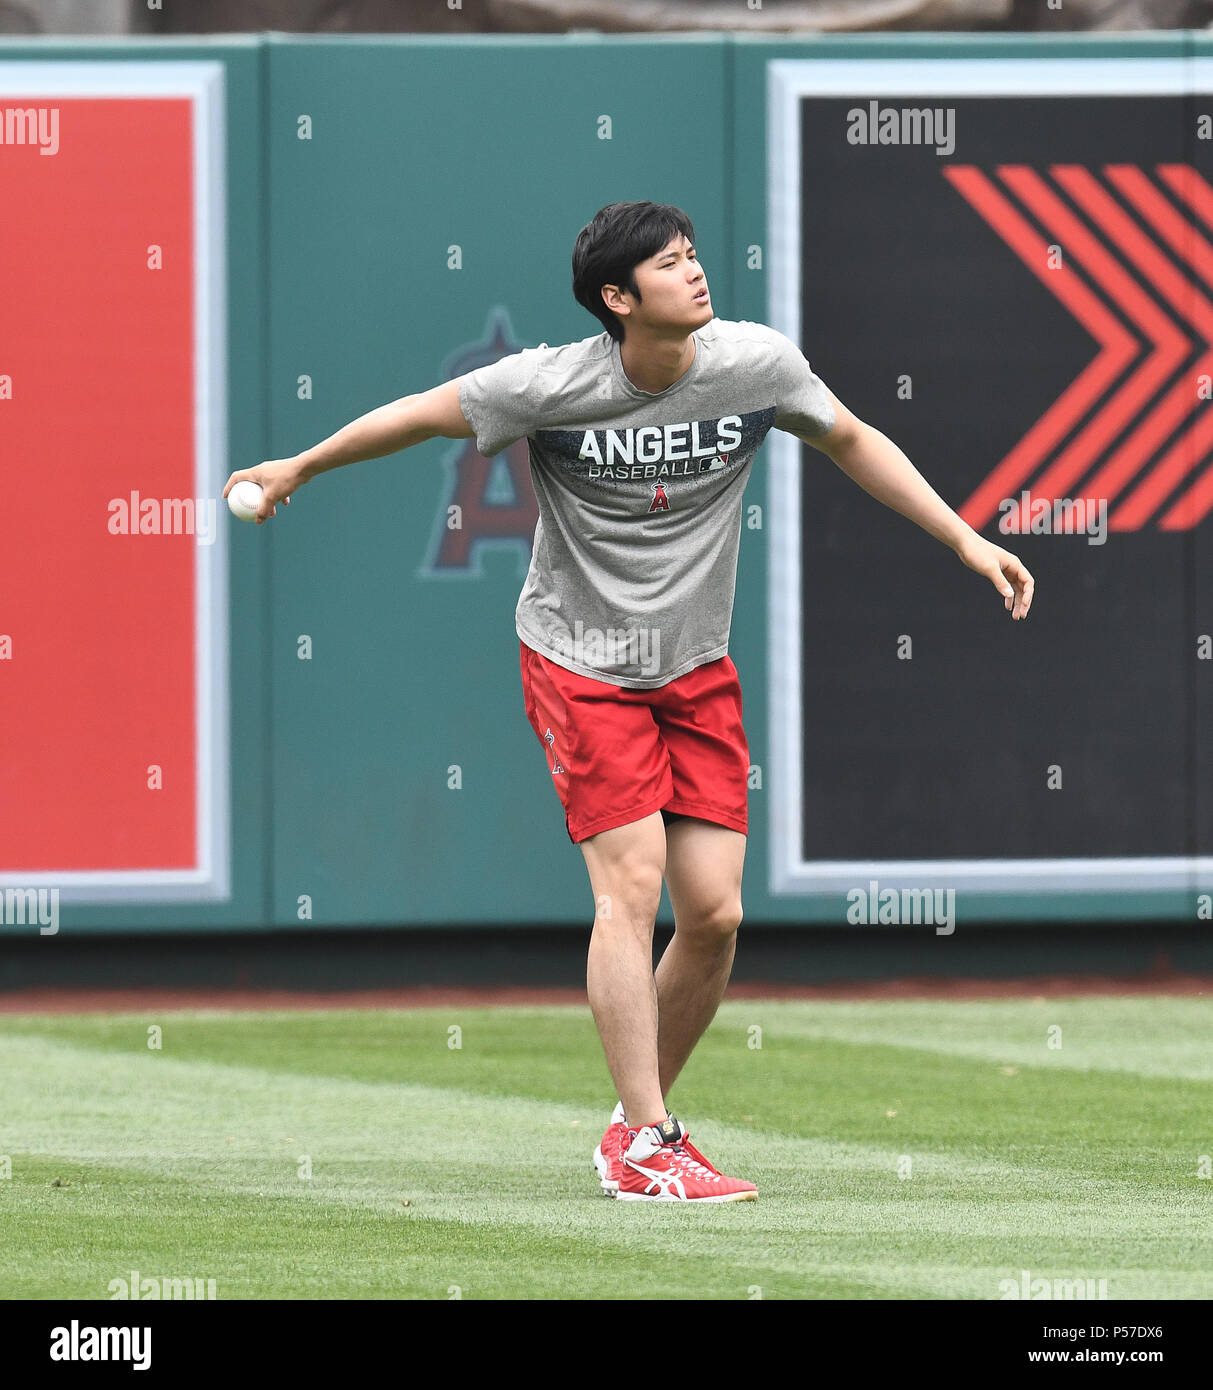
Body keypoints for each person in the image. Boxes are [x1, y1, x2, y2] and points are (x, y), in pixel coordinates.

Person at [224, 200, 1034, 1204]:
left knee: (716, 912)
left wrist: (963, 538)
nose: (696, 274)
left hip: (694, 665)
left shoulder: (755, 367)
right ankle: (654, 1138)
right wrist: (299, 464)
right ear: (619, 297)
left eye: (694, 257)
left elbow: (853, 438)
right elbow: (419, 413)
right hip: (580, 662)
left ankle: (628, 1129)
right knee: (632, 882)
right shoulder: (551, 383)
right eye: (670, 264)